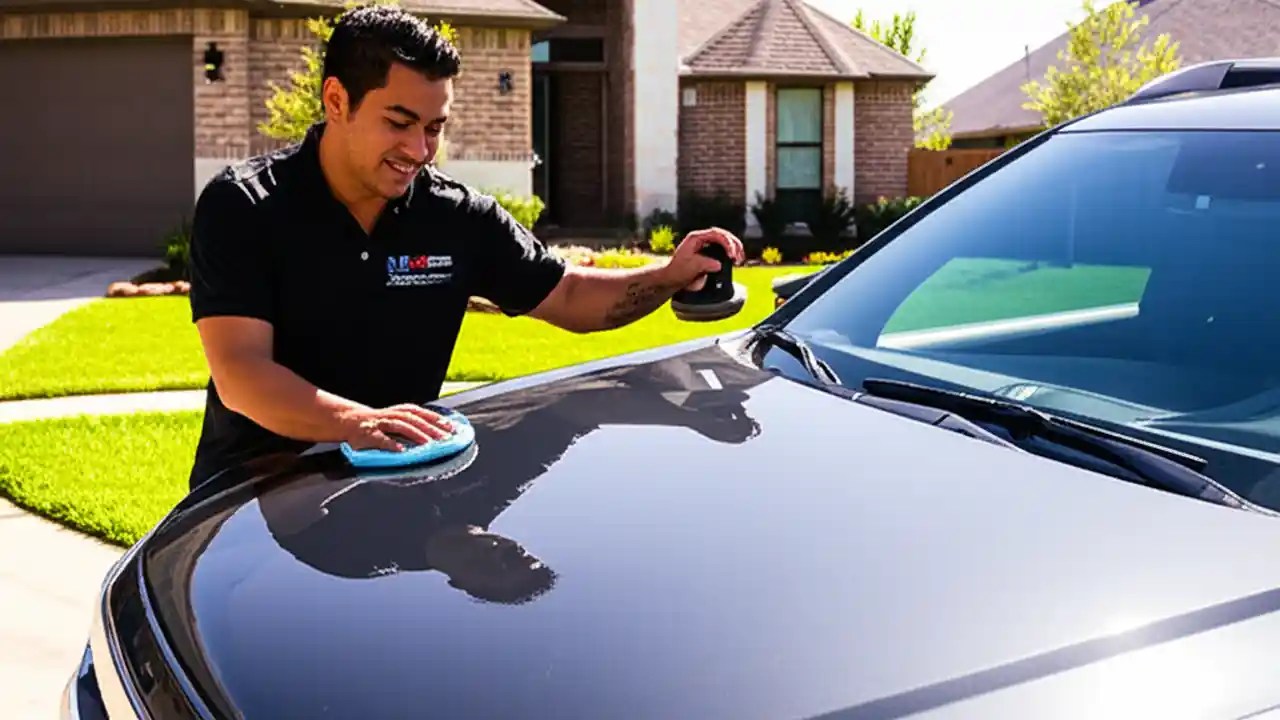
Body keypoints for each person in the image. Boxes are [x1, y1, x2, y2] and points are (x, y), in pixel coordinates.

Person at [185, 3, 744, 491]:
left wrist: (669, 274)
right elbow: (242, 373)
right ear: (336, 99)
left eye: (434, 127)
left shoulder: (456, 217)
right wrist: (361, 423)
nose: (421, 149)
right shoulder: (245, 206)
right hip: (248, 495)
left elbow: (570, 294)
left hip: (395, 483)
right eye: (400, 123)